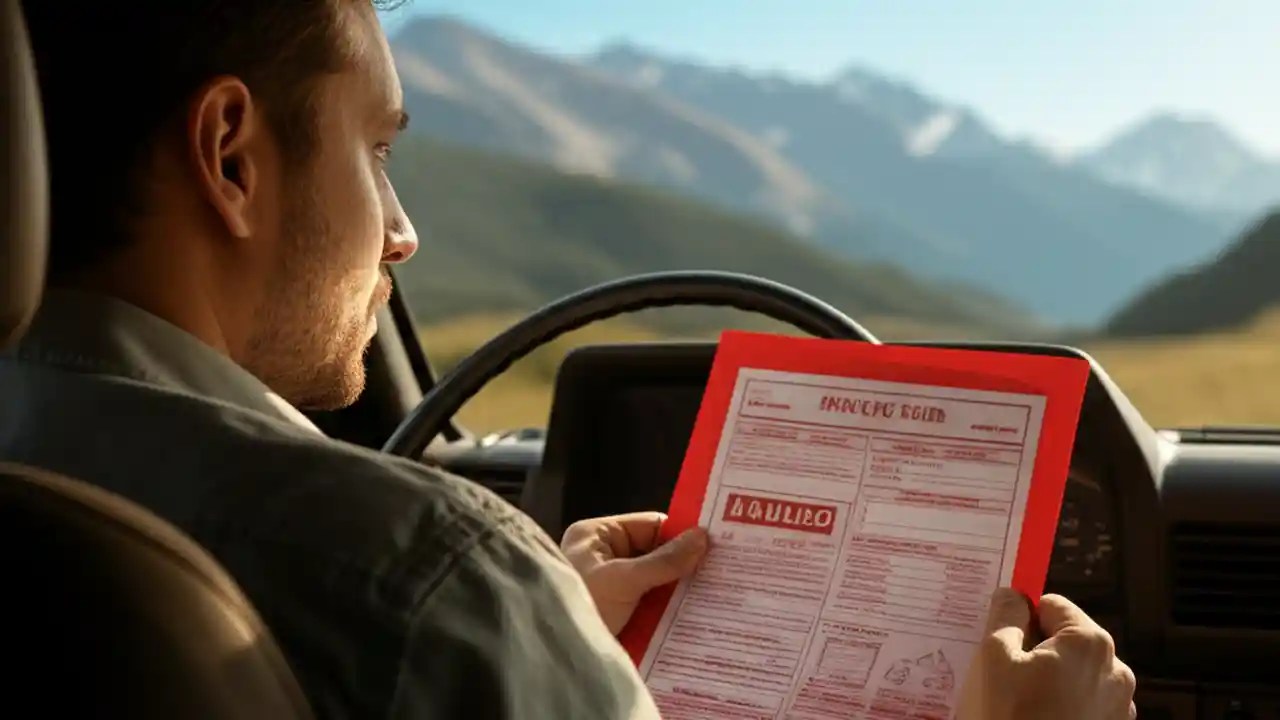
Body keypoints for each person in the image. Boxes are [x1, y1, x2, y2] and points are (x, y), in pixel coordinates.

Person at [0, 1, 1135, 718]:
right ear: (232, 158)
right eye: (378, 149)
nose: (401, 232)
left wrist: (548, 640)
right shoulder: (420, 575)